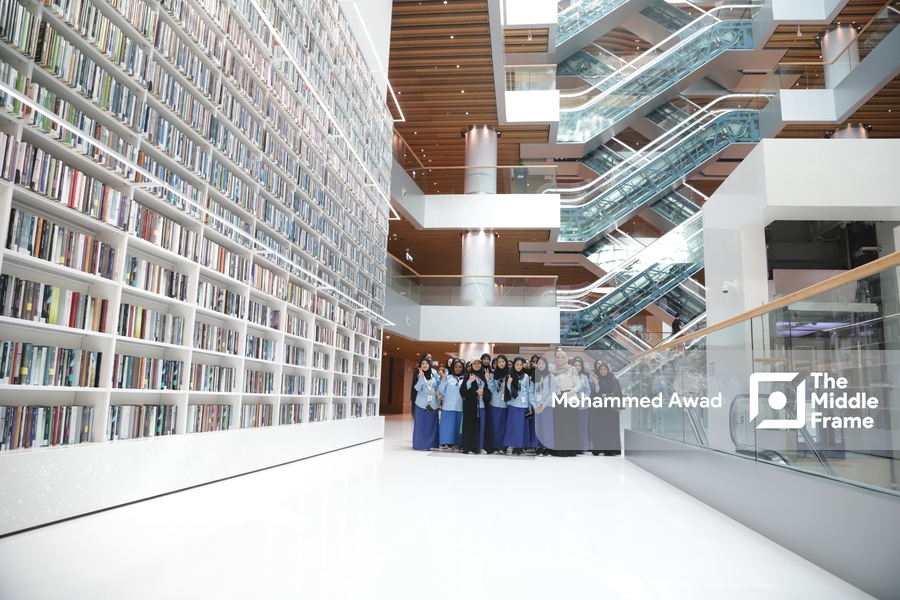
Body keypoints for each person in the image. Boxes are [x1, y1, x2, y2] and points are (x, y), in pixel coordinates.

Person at [549, 348, 581, 457]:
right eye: (558, 357)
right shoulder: (553, 371)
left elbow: (578, 384)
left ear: (566, 358)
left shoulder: (571, 369)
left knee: (569, 424)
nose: (560, 359)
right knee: (559, 424)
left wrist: (571, 392)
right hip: (558, 398)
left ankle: (570, 450)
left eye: (562, 357)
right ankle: (559, 450)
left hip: (569, 398)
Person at [589, 360, 623, 456]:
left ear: (608, 370)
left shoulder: (613, 379)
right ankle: (600, 450)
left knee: (612, 429)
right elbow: (594, 395)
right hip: (600, 409)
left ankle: (613, 450)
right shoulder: (597, 380)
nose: (603, 371)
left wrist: (607, 395)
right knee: (600, 429)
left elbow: (618, 393)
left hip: (611, 410)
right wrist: (596, 385)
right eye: (601, 369)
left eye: (605, 369)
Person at [503, 357, 533, 456]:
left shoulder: (526, 377)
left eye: (521, 364)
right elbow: (508, 391)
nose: (519, 367)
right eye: (517, 364)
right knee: (514, 427)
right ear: (514, 365)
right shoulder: (509, 376)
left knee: (522, 427)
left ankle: (521, 447)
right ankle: (514, 446)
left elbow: (528, 391)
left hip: (523, 405)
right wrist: (508, 384)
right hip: (514, 404)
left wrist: (529, 406)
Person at [412, 358, 439, 450]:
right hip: (421, 405)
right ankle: (421, 445)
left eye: (426, 363)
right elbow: (417, 388)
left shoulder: (433, 374)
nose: (424, 365)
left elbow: (436, 386)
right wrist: (421, 378)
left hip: (432, 405)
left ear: (429, 365)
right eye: (423, 364)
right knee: (421, 426)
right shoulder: (418, 375)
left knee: (431, 426)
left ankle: (431, 444)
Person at [461, 358, 487, 454]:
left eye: (478, 363)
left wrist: (483, 393)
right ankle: (469, 447)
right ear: (471, 365)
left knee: (481, 426)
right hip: (470, 406)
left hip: (482, 406)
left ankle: (480, 446)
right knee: (470, 427)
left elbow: (488, 391)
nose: (477, 365)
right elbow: (462, 392)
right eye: (474, 363)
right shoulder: (468, 376)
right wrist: (469, 382)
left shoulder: (484, 376)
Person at [438, 359, 465, 450]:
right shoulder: (448, 378)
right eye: (456, 367)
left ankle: (458, 443)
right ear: (453, 367)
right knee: (447, 426)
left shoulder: (465, 378)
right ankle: (446, 443)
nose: (458, 369)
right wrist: (444, 380)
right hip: (448, 406)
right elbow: (441, 391)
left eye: (460, 367)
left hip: (460, 406)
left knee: (457, 426)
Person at [487, 354, 510, 454]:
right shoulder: (493, 375)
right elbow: (491, 389)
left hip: (505, 404)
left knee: (503, 426)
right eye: (499, 362)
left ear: (506, 363)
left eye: (503, 362)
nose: (501, 364)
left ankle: (503, 447)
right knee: (494, 426)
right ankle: (494, 446)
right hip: (494, 403)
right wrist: (488, 380)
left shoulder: (509, 375)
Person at [533, 355, 552, 456]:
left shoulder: (550, 377)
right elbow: (531, 392)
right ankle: (538, 446)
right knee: (538, 427)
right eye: (539, 363)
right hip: (536, 406)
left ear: (546, 364)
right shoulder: (534, 376)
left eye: (542, 363)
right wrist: (535, 405)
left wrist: (543, 406)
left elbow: (552, 393)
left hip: (547, 406)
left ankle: (547, 447)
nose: (540, 365)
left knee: (547, 427)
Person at [572, 356, 591, 453]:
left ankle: (583, 447)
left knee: (582, 427)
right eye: (575, 365)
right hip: (572, 406)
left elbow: (588, 392)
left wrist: (582, 400)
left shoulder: (584, 377)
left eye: (579, 365)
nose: (577, 367)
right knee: (574, 428)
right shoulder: (569, 377)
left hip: (583, 407)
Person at [480, 353, 494, 454]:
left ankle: (487, 445)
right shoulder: (478, 372)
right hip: (479, 400)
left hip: (489, 400)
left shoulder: (492, 372)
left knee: (487, 423)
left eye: (488, 359)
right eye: (484, 359)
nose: (486, 361)